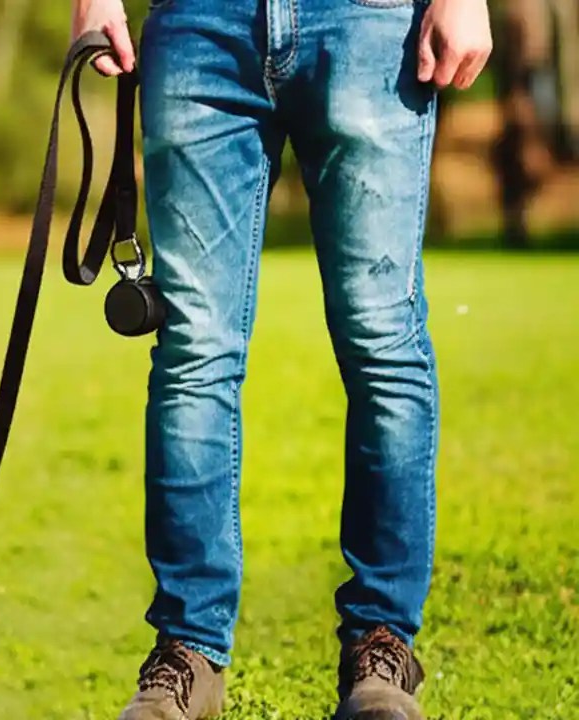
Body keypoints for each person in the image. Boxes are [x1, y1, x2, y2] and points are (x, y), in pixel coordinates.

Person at [69, 0, 491, 717]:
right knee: (193, 352)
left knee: (382, 340)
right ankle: (188, 653)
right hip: (199, 24)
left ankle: (381, 649)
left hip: (370, 20)